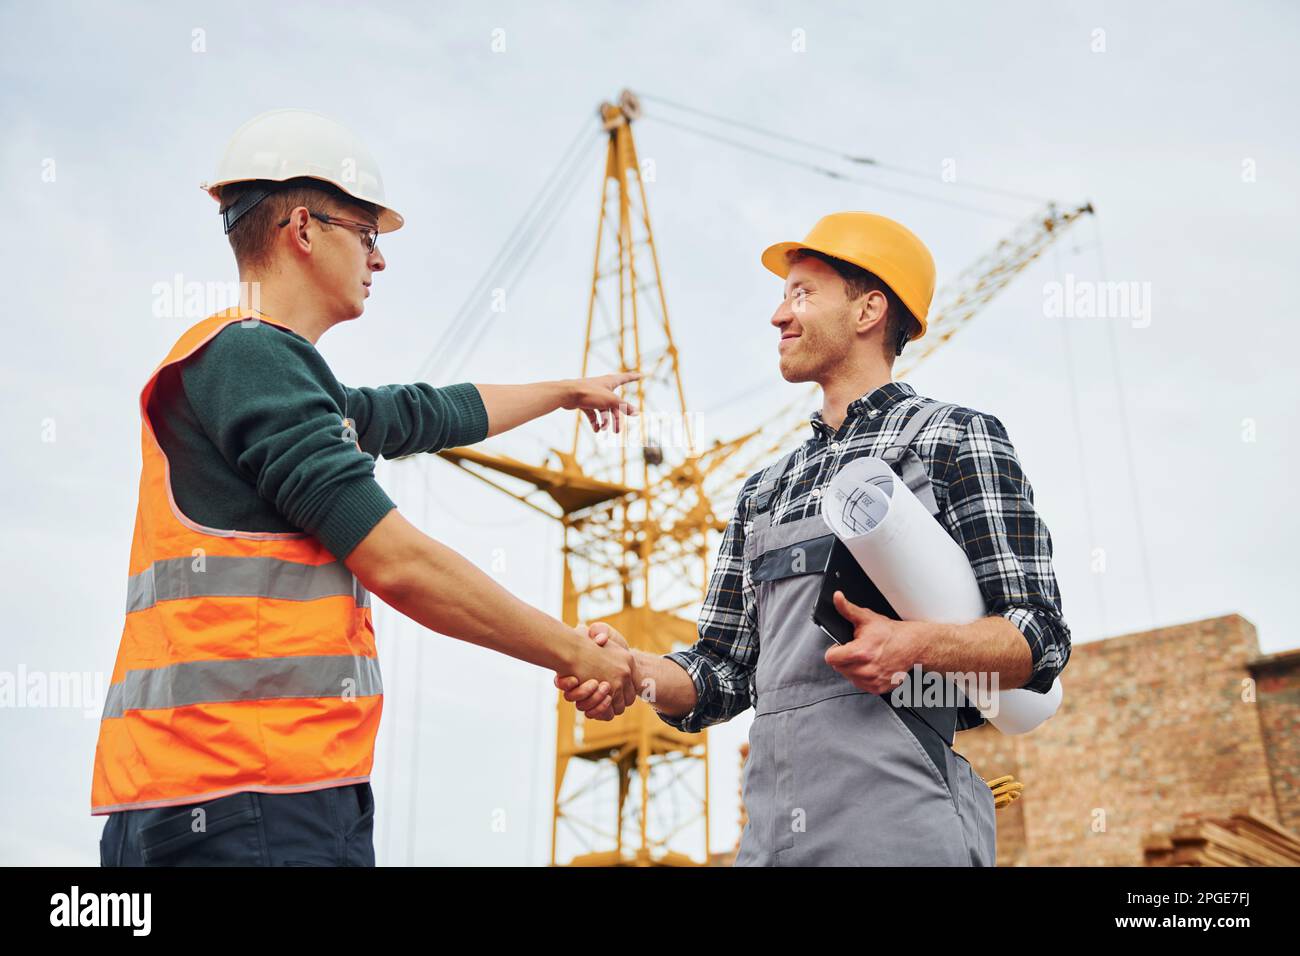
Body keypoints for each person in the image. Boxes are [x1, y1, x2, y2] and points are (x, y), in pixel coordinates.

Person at [93, 109, 638, 866]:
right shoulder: (252, 361)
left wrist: (562, 392)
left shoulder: (262, 370)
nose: (379, 260)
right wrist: (573, 653)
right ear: (306, 229)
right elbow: (399, 563)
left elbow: (418, 412)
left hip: (225, 789)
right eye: (367, 233)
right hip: (245, 792)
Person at [557, 211, 1072, 865]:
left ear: (869, 310)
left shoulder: (954, 441)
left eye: (802, 293)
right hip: (772, 837)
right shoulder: (763, 490)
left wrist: (915, 646)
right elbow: (721, 674)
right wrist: (635, 674)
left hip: (898, 826)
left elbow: (1039, 636)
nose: (779, 315)